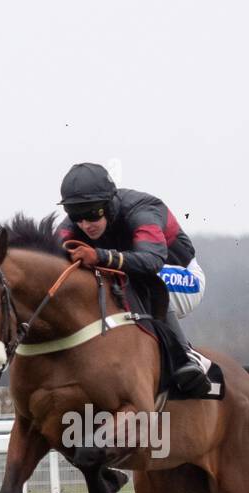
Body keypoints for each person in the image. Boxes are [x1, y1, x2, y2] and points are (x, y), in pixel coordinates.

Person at [56, 162, 212, 397]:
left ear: (108, 204)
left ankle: (184, 356)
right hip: (131, 279)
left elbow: (151, 261)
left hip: (182, 279)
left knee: (135, 278)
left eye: (93, 213)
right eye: (77, 216)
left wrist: (100, 256)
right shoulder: (73, 225)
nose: (86, 224)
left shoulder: (143, 209)